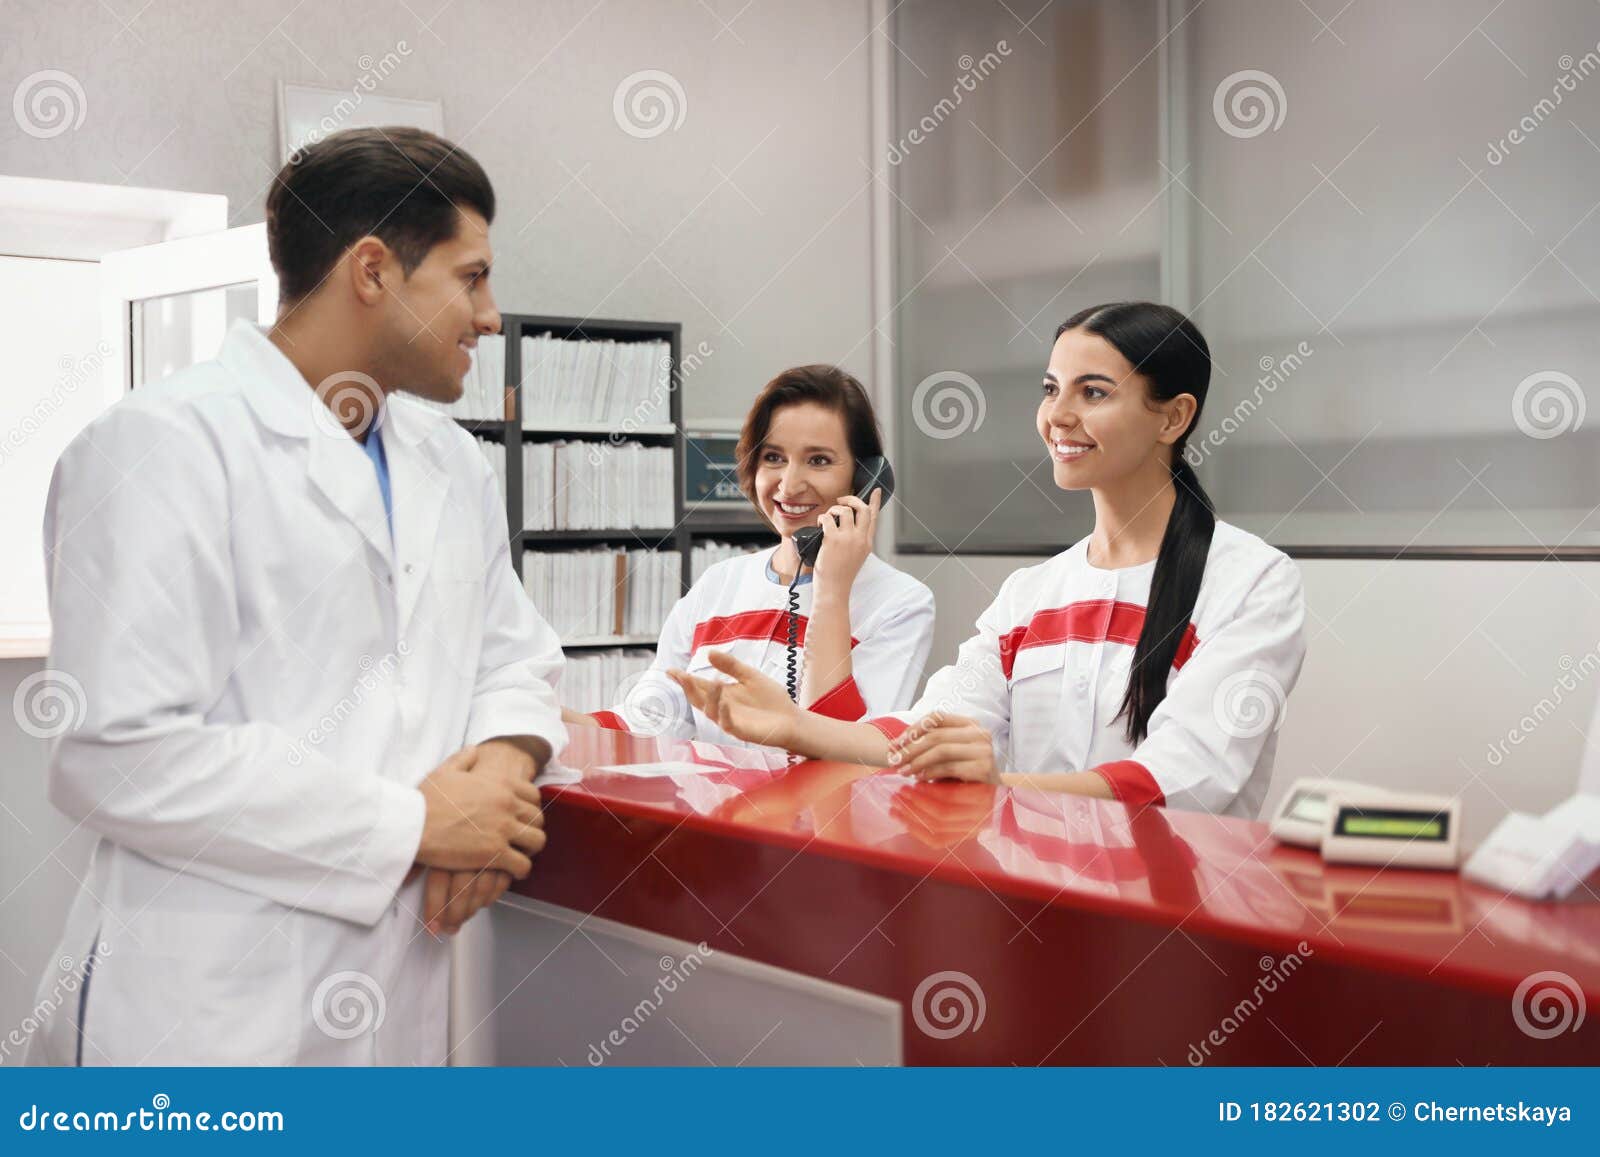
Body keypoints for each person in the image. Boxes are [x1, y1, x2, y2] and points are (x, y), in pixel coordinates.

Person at [28, 127, 562, 1065]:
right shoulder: (159, 448)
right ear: (372, 272)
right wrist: (419, 825)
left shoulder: (452, 462)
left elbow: (511, 656)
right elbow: (116, 754)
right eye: (470, 278)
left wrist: (504, 770)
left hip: (402, 990)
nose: (491, 317)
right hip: (211, 1016)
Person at [671, 302, 1306, 818]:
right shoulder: (1030, 593)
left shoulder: (1251, 580)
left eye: (1093, 392)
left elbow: (1185, 780)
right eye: (1051, 389)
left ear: (1174, 416)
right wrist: (791, 727)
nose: (1058, 416)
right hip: (1030, 903)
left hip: (1176, 922)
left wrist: (1000, 785)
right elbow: (925, 727)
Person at [569, 365, 934, 745]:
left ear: (864, 481)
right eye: (774, 457)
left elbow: (847, 751)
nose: (789, 485)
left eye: (819, 460)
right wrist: (563, 725)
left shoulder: (901, 602)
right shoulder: (719, 583)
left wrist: (831, 591)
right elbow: (654, 719)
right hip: (716, 804)